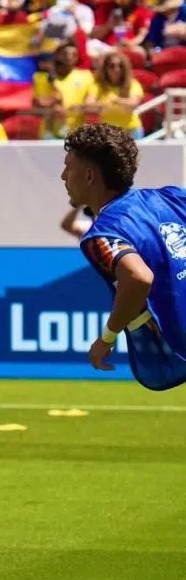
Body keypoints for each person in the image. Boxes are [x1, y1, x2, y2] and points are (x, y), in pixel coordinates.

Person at [62, 122, 186, 398]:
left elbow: (138, 277)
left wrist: (107, 338)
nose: (63, 176)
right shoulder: (172, 197)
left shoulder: (103, 234)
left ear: (90, 175)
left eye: (68, 167)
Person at [32, 40, 94, 138]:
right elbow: (37, 105)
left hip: (77, 134)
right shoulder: (41, 77)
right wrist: (53, 105)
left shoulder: (86, 76)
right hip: (48, 134)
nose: (69, 57)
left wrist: (75, 108)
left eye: (74, 54)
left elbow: (90, 104)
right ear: (57, 55)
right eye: (65, 54)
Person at [84, 51, 145, 139]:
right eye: (112, 66)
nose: (116, 69)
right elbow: (88, 105)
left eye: (120, 66)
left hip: (131, 130)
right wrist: (120, 102)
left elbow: (133, 104)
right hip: (107, 132)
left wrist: (114, 100)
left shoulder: (133, 84)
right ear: (106, 68)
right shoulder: (97, 85)